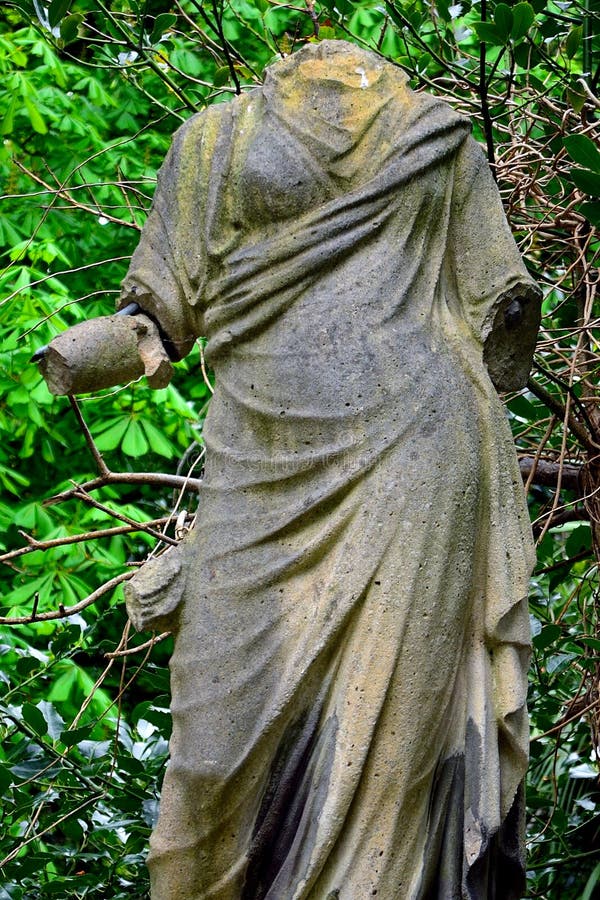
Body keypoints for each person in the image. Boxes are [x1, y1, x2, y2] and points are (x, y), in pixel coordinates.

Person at [115, 39, 540, 899]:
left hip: (415, 452)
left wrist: (511, 319)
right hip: (259, 467)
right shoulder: (213, 138)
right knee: (211, 753)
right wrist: (106, 348)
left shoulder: (437, 138)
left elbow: (499, 300)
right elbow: (155, 312)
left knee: (392, 757)